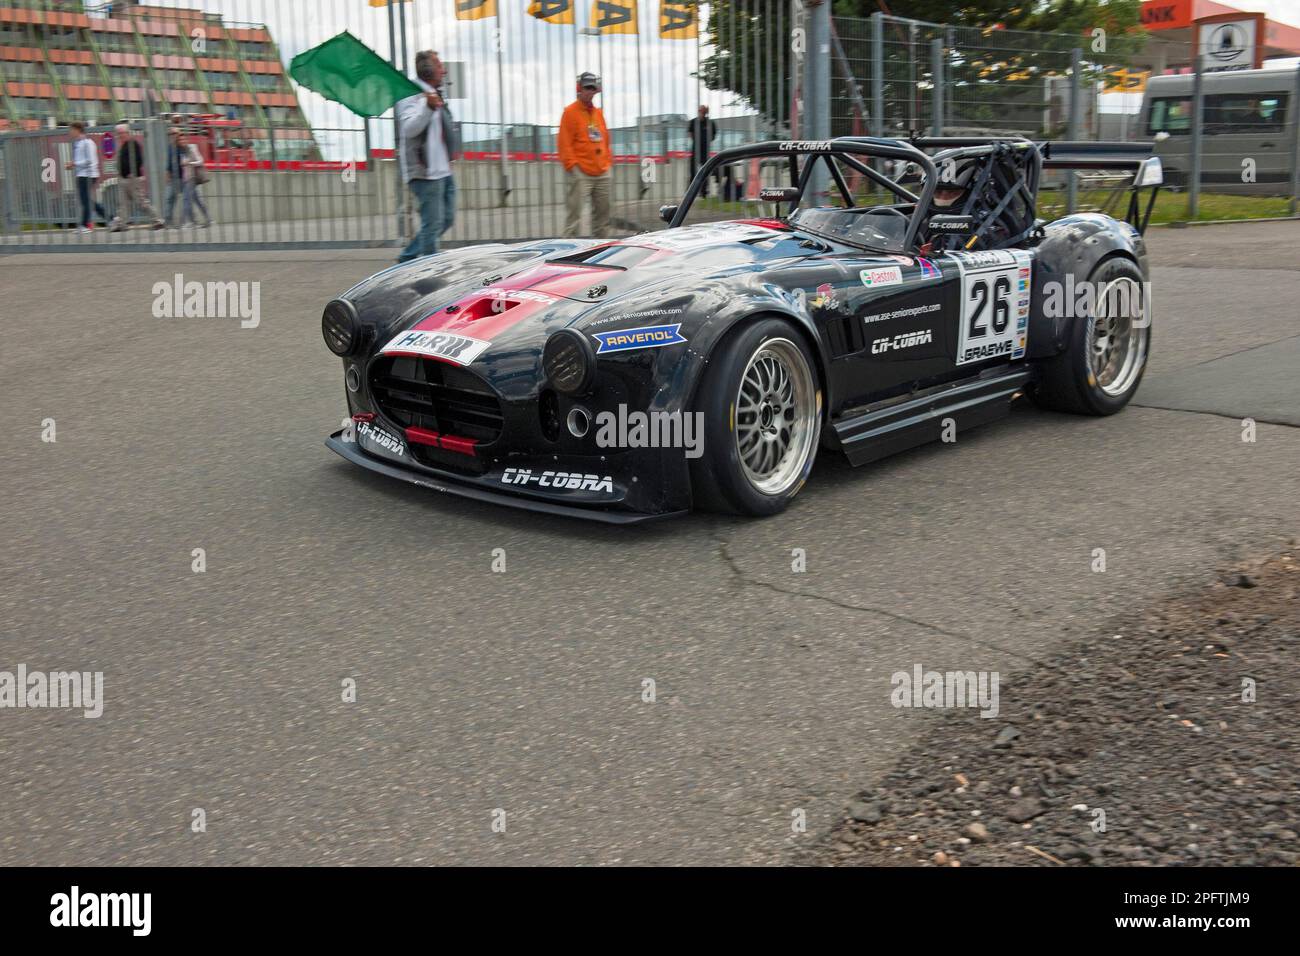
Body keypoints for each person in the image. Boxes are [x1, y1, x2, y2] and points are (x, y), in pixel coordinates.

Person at [396, 49, 459, 262]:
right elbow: (409, 130)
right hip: (425, 173)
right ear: (429, 70)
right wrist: (428, 108)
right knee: (432, 226)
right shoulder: (410, 94)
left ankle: (409, 256)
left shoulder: (436, 93)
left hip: (443, 170)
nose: (445, 70)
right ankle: (429, 272)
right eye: (440, 66)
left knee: (446, 219)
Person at [559, 72, 611, 238]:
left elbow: (605, 139)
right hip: (581, 171)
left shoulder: (598, 113)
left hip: (602, 171)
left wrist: (607, 162)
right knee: (574, 215)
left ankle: (601, 248)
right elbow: (564, 143)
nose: (590, 91)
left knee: (603, 215)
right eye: (587, 87)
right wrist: (573, 167)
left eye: (593, 88)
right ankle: (568, 249)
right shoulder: (570, 112)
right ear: (579, 89)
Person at [109, 122, 164, 232]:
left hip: (132, 178)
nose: (119, 136)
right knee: (123, 203)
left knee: (141, 202)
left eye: (121, 133)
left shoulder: (133, 144)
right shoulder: (123, 145)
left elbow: (139, 159)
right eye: (118, 134)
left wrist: (132, 172)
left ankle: (157, 220)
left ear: (127, 133)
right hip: (123, 178)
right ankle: (122, 224)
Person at [65, 122, 106, 234]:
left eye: (72, 129)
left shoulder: (88, 143)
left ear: (78, 130)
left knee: (85, 200)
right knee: (87, 201)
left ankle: (85, 225)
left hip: (88, 174)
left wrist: (74, 164)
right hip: (82, 174)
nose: (70, 132)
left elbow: (89, 160)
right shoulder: (78, 143)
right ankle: (110, 219)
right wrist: (74, 164)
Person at [180, 132, 211, 229]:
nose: (182, 141)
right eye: (180, 140)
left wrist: (190, 162)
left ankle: (189, 222)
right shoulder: (180, 151)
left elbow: (200, 160)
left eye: (184, 139)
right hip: (185, 178)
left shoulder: (192, 148)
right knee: (197, 200)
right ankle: (209, 219)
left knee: (186, 200)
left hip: (192, 177)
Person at [686, 104, 717, 196]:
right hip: (695, 150)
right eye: (700, 111)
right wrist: (697, 141)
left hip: (705, 150)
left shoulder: (710, 123)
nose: (702, 113)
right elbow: (690, 133)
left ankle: (704, 191)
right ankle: (691, 192)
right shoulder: (693, 122)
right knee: (693, 171)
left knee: (705, 170)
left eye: (704, 112)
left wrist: (706, 141)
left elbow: (713, 135)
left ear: (706, 112)